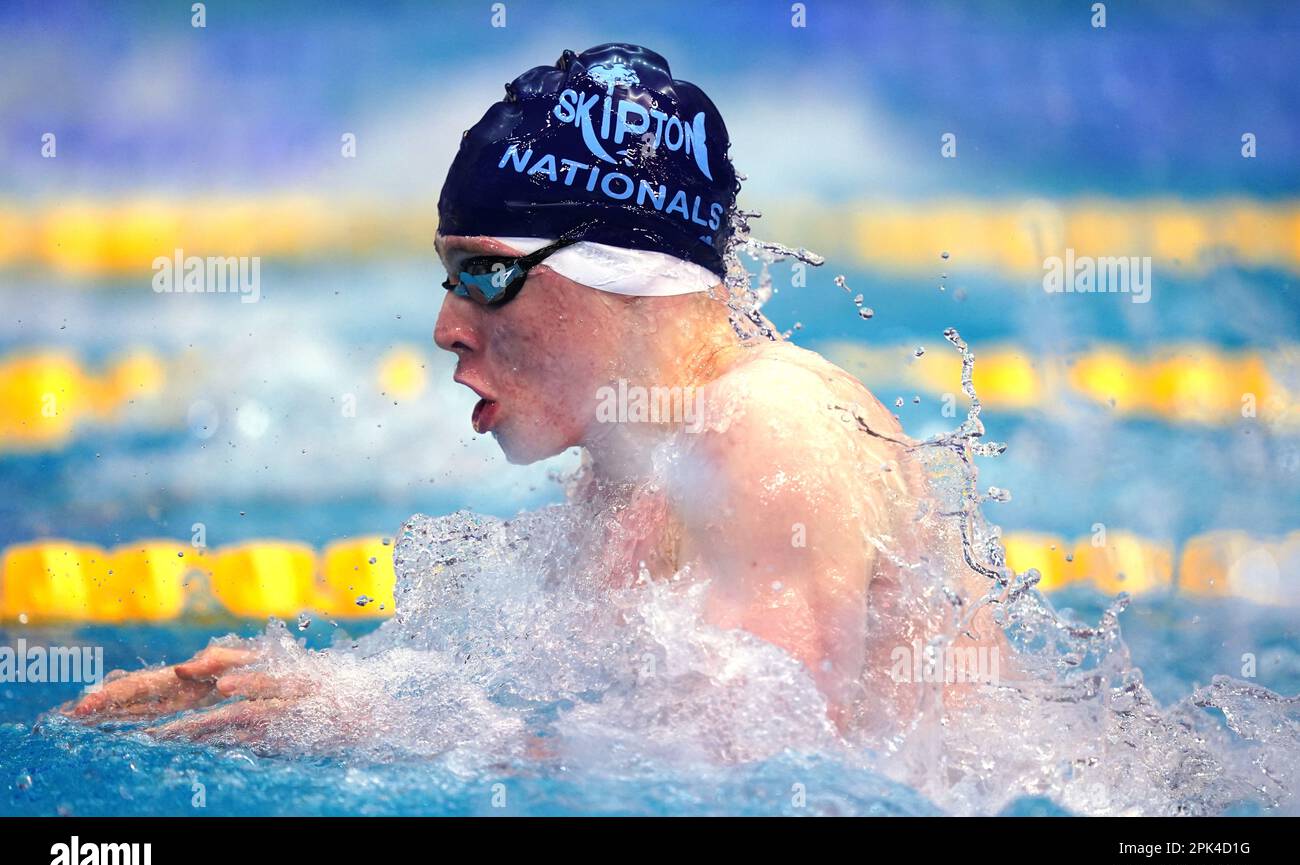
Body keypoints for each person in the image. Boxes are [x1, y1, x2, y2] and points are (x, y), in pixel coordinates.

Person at [65, 43, 993, 738]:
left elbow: (769, 769)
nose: (446, 328)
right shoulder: (633, 467)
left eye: (485, 274)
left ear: (622, 268)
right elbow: (593, 710)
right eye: (447, 275)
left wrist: (382, 733)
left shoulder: (772, 429)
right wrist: (304, 692)